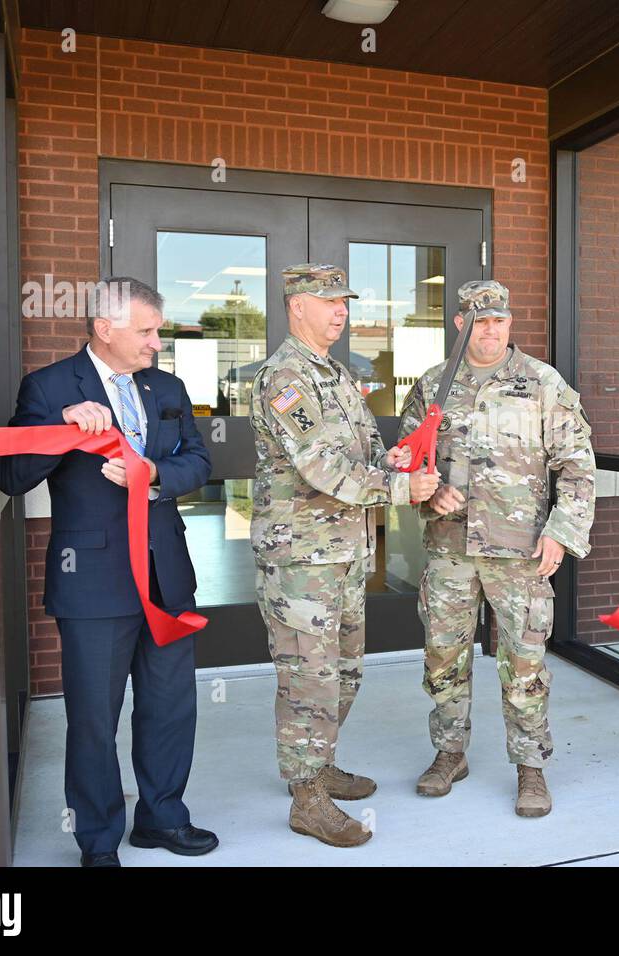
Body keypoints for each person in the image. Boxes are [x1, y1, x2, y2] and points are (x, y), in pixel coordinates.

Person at [0, 277, 216, 867]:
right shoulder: (48, 387)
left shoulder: (167, 386)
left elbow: (198, 458)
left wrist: (155, 474)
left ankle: (162, 818)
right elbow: (11, 475)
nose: (156, 342)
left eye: (157, 330)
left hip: (166, 574)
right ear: (104, 328)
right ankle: (97, 840)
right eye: (145, 331)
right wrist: (63, 429)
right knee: (94, 717)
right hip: (91, 581)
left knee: (170, 707)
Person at [250, 263, 439, 848]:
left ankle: (319, 762)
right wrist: (403, 490)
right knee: (309, 679)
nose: (341, 310)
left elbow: (365, 454)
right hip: (302, 561)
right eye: (328, 299)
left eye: (344, 300)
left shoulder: (333, 373)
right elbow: (323, 468)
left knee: (344, 673)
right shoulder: (287, 378)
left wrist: (398, 461)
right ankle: (306, 797)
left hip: (346, 555)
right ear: (295, 304)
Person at [398, 280, 595, 818]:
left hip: (521, 552)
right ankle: (449, 752)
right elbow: (407, 456)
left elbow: (577, 464)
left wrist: (562, 531)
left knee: (525, 662)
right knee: (444, 656)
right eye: (479, 319)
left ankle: (530, 768)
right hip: (450, 550)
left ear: (510, 323)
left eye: (499, 320)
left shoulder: (541, 382)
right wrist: (430, 490)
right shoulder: (434, 385)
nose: (490, 329)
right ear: (460, 323)